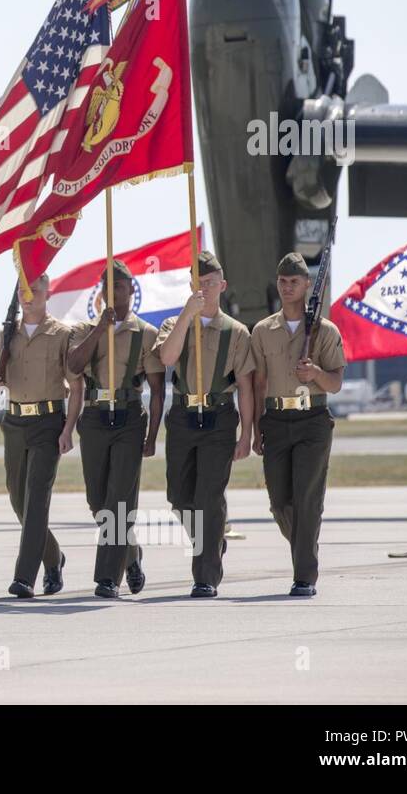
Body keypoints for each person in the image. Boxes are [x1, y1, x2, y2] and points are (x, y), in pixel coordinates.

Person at [154, 250, 255, 597]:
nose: (204, 288)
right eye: (198, 282)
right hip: (183, 416)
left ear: (222, 286)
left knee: (209, 497)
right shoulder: (175, 324)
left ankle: (205, 574)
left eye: (210, 283)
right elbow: (167, 357)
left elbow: (245, 385)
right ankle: (212, 541)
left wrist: (247, 433)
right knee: (179, 495)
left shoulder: (238, 332)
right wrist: (187, 314)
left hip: (219, 418)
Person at [67, 261, 165, 598]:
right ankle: (130, 553)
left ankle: (107, 577)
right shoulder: (84, 329)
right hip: (94, 417)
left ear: (130, 290)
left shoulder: (147, 334)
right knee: (98, 500)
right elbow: (74, 366)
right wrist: (99, 330)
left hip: (128, 417)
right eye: (106, 287)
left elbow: (158, 390)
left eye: (119, 287)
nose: (113, 292)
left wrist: (152, 435)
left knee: (119, 501)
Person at [251, 252, 345, 598]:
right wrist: (254, 426)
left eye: (294, 281)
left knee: (307, 499)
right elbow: (259, 382)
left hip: (312, 420)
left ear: (307, 284)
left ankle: (304, 575)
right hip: (275, 420)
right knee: (280, 502)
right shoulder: (262, 331)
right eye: (283, 281)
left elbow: (335, 382)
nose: (287, 287)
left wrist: (316, 373)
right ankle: (305, 545)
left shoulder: (325, 329)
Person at [0, 275, 80, 597]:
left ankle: (25, 577)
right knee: (18, 498)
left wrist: (69, 429)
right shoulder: (4, 336)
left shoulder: (62, 335)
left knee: (37, 499)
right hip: (14, 421)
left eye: (35, 290)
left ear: (47, 292)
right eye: (24, 291)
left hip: (48, 421)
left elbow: (76, 387)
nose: (29, 296)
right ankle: (53, 557)